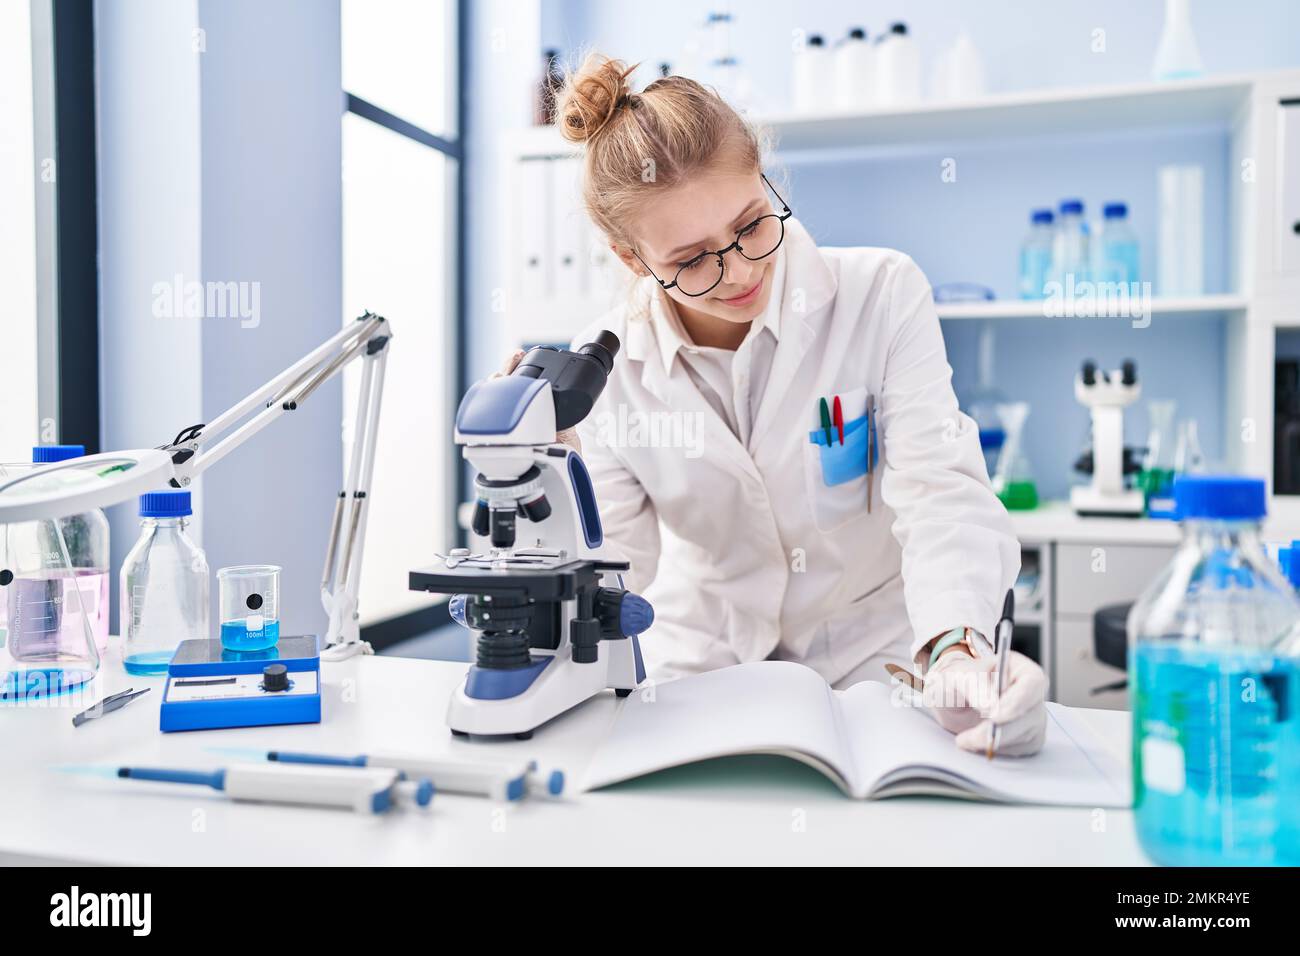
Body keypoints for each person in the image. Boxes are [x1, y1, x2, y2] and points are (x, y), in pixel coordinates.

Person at [500, 55, 1046, 755]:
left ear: (763, 177)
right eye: (692, 260)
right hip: (702, 668)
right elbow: (617, 567)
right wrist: (551, 485)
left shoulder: (880, 295)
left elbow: (939, 493)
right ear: (633, 258)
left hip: (875, 662)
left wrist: (959, 654)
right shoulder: (607, 367)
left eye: (752, 223)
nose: (740, 271)